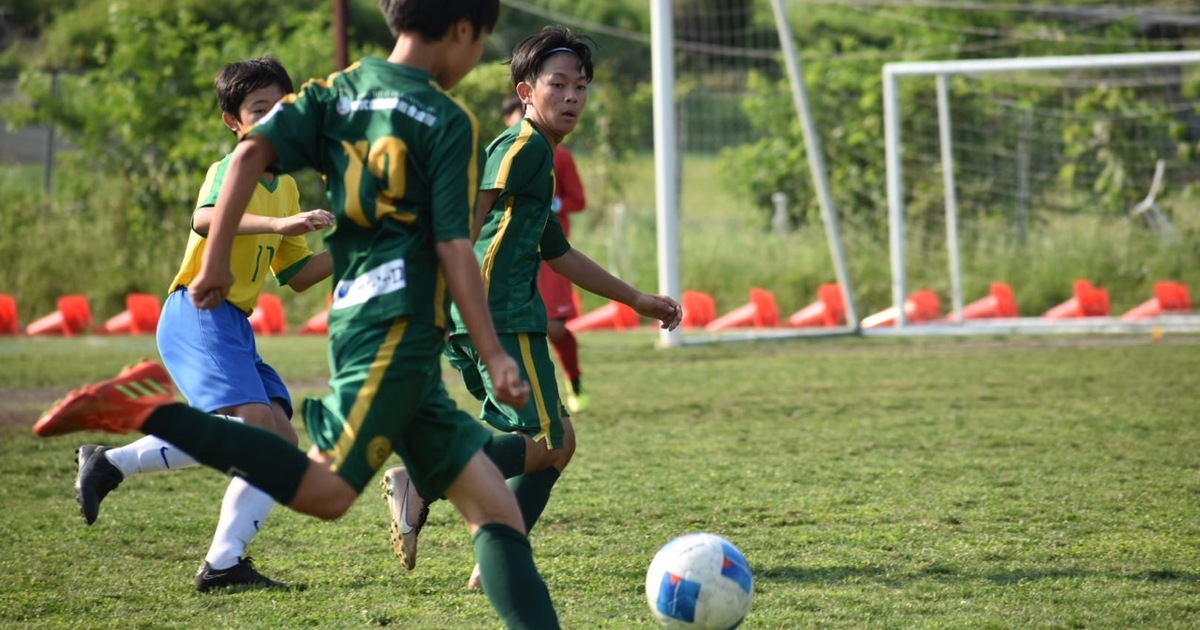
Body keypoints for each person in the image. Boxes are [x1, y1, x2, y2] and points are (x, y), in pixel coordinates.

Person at [34, 1, 560, 627]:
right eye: (481, 44)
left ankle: (167, 460)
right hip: (395, 333)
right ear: (463, 31)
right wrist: (493, 351)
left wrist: (225, 259)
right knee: (326, 491)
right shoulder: (447, 119)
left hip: (371, 326)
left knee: (491, 509)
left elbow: (254, 159)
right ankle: (144, 412)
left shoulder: (334, 92)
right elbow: (453, 245)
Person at [380, 26, 682, 590]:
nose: (572, 97)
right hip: (496, 314)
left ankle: (494, 556)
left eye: (581, 87)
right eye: (558, 84)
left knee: (550, 448)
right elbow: (465, 213)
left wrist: (636, 299)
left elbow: (557, 251)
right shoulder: (520, 146)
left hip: (491, 315)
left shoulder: (539, 155)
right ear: (525, 90)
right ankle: (422, 479)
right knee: (551, 442)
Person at [72, 56, 334, 592]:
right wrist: (281, 223)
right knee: (255, 430)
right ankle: (113, 462)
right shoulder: (231, 166)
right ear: (233, 123)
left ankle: (222, 563)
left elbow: (301, 274)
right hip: (197, 312)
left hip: (234, 325)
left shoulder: (285, 188)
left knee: (278, 442)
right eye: (258, 110)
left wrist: (362, 248)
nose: (272, 118)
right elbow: (206, 218)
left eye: (282, 107)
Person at [501, 92, 590, 414]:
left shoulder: (559, 156)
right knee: (521, 324)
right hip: (514, 254)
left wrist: (552, 202)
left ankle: (575, 381)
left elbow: (579, 201)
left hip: (552, 252)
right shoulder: (504, 153)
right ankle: (524, 390)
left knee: (554, 326)